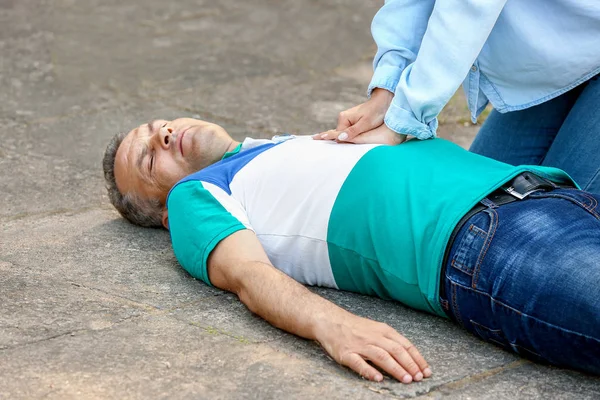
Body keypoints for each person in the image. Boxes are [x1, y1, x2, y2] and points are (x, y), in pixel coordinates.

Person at [103, 117, 600, 384]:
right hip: (491, 243)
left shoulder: (276, 145)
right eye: (150, 156)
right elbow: (247, 275)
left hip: (555, 191)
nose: (163, 134)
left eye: (157, 125)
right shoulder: (195, 197)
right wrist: (332, 324)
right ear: (164, 213)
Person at [318, 0, 600, 195]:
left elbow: (469, 7)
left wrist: (405, 116)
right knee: (478, 210)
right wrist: (387, 92)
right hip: (565, 46)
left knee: (551, 234)